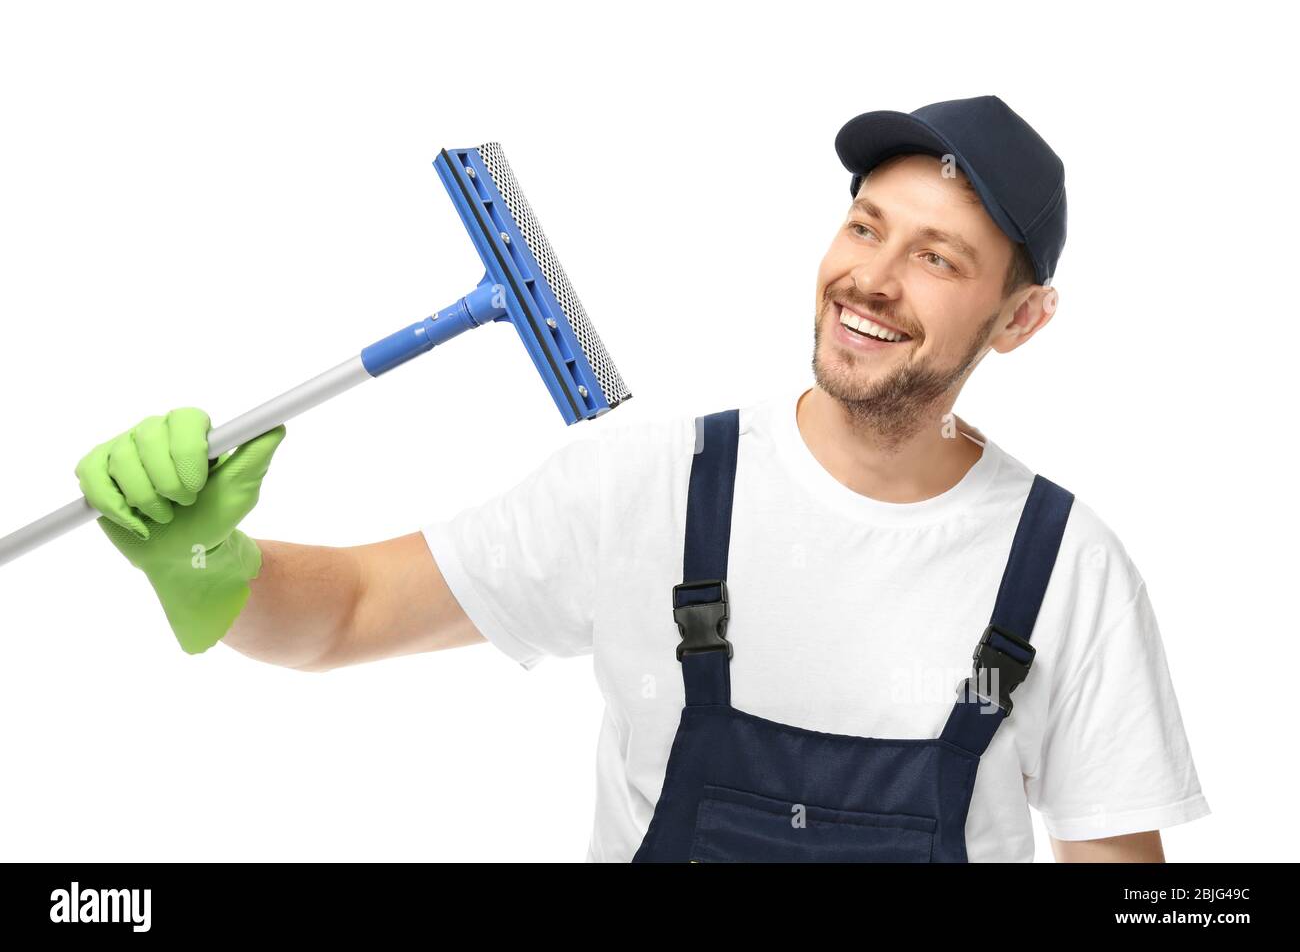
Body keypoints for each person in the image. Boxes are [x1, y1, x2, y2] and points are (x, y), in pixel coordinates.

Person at [74, 96, 1209, 862]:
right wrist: (206, 556)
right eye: (865, 225)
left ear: (1021, 318)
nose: (871, 278)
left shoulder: (1067, 567)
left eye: (935, 255)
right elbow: (347, 616)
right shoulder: (652, 485)